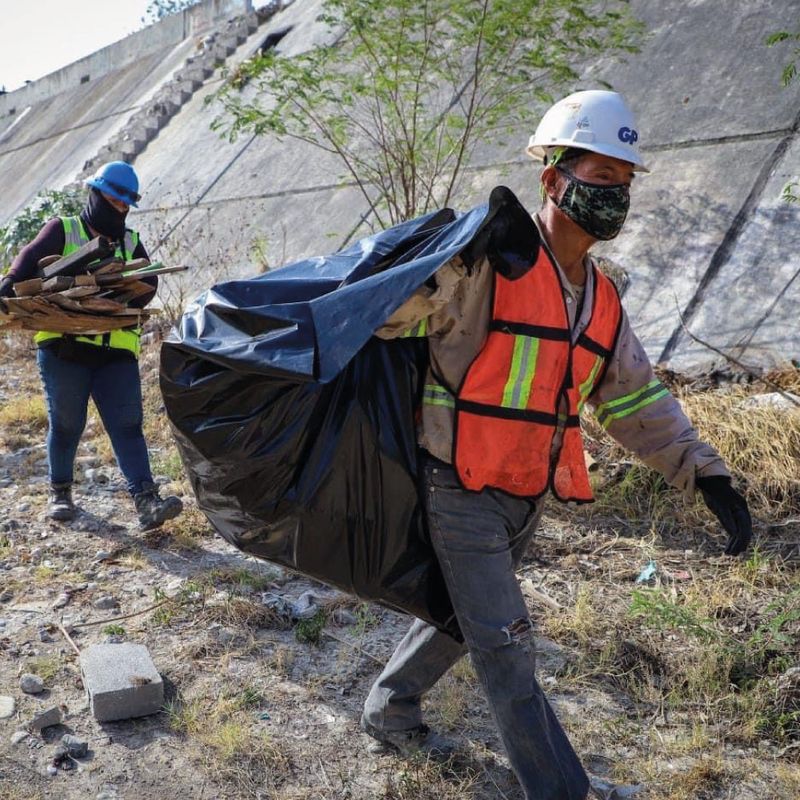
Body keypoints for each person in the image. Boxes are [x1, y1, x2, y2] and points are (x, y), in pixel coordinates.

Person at [360, 90, 753, 800]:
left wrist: (705, 473)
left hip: (526, 495)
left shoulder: (600, 297)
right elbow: (385, 316)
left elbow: (634, 397)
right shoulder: (490, 263)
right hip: (460, 484)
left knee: (466, 618)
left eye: (623, 183)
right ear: (552, 180)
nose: (615, 197)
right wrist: (448, 255)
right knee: (508, 650)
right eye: (601, 179)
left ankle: (389, 707)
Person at [0, 161, 183, 531]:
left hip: (114, 350)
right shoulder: (62, 229)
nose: (121, 210)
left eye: (126, 205)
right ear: (96, 194)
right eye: (114, 202)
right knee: (67, 424)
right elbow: (27, 260)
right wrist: (7, 285)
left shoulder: (131, 243)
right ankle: (61, 492)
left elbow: (146, 287)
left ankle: (147, 500)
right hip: (64, 348)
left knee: (128, 425)